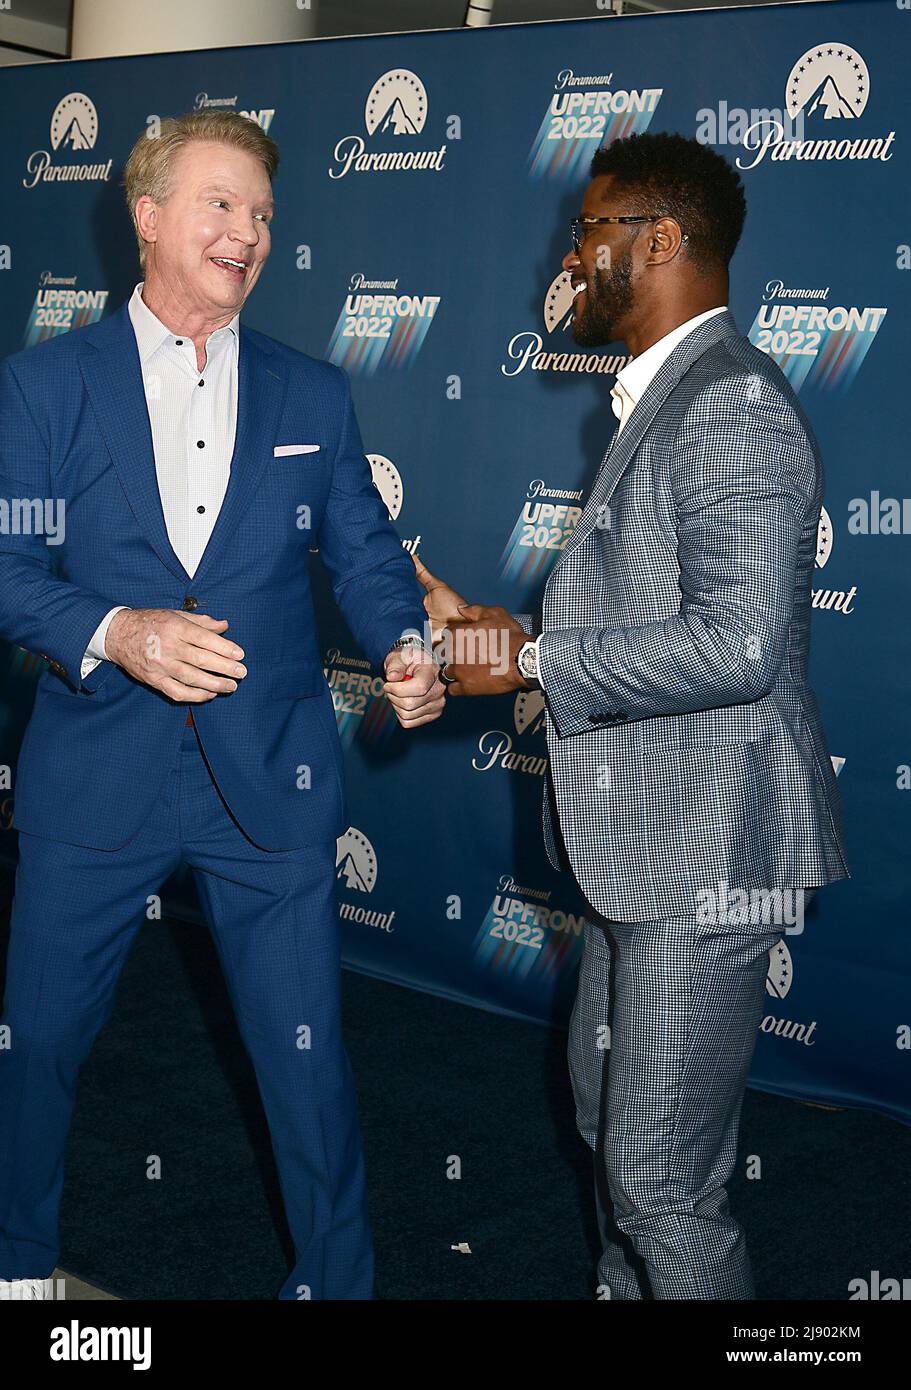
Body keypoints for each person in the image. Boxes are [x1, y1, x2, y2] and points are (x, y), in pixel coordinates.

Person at [0, 109, 444, 1302]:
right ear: (146, 216)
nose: (246, 232)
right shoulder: (45, 386)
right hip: (96, 776)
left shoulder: (313, 391)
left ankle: (333, 1286)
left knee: (307, 1069)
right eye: (220, 204)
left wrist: (404, 641)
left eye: (259, 213)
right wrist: (117, 631)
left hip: (272, 781)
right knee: (36, 1045)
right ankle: (16, 1266)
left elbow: (362, 556)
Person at [414, 131, 849, 1300]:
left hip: (702, 850)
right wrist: (502, 642)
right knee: (617, 1137)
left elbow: (738, 645)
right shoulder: (660, 403)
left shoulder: (729, 406)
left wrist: (536, 657)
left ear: (655, 241)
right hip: (633, 849)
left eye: (588, 229)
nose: (569, 255)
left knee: (659, 1183)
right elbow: (649, 617)